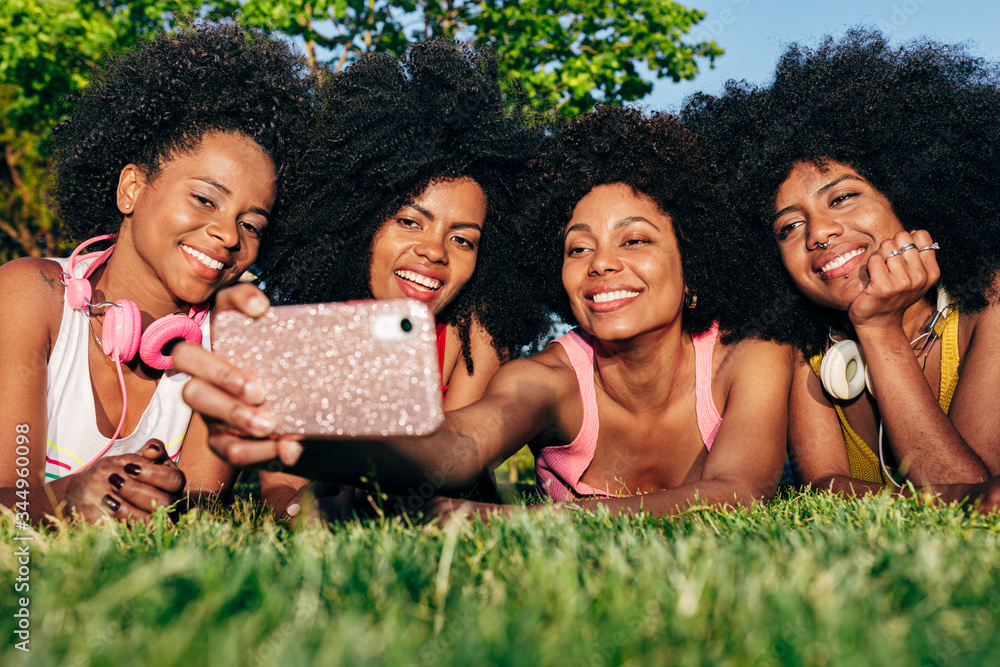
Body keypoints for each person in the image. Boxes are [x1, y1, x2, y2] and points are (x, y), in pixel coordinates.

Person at [179, 106, 794, 518]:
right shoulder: (547, 378)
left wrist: (504, 524)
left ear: (698, 261)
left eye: (634, 240)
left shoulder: (753, 353)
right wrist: (304, 440)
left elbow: (736, 491)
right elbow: (459, 444)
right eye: (578, 247)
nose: (601, 264)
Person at [174, 40, 550, 518]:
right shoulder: (300, 330)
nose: (434, 251)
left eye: (463, 239)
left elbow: (449, 468)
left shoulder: (473, 334)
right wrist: (300, 510)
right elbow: (280, 487)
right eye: (409, 222)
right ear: (361, 223)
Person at [0, 23, 313, 523]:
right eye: (205, 199)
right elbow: (8, 500)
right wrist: (73, 498)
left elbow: (197, 519)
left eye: (251, 224)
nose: (229, 236)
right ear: (131, 188)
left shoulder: (232, 347)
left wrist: (167, 498)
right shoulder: (28, 295)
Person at [682, 29, 1000, 511]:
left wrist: (879, 328)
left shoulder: (990, 303)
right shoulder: (800, 352)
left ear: (910, 194)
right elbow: (826, 487)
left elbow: (977, 491)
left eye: (844, 197)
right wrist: (873, 324)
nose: (819, 233)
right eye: (789, 227)